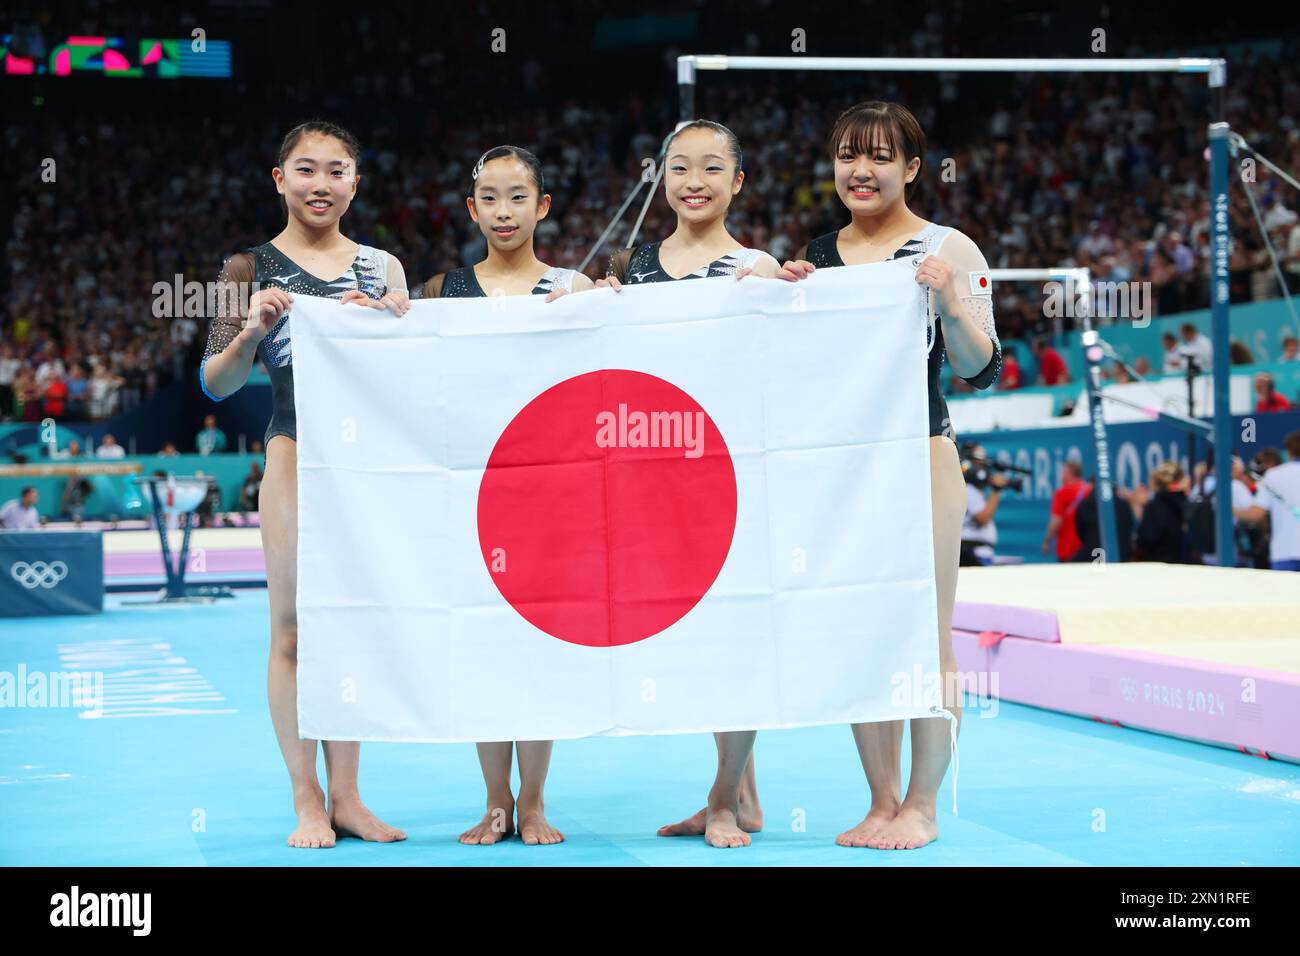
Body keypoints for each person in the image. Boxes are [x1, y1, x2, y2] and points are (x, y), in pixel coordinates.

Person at [760, 100, 1000, 850]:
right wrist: (790, 301)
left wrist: (950, 300)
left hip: (922, 454)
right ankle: (880, 799)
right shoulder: (818, 254)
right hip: (844, 469)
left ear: (911, 168)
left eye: (879, 156)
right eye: (846, 156)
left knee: (928, 636)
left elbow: (983, 368)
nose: (860, 171)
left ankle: (922, 806)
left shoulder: (949, 247)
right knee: (864, 632)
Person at [199, 120, 409, 849]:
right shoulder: (242, 271)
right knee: (290, 633)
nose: (321, 185)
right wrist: (249, 332)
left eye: (337, 171)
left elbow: (406, 379)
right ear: (279, 178)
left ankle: (349, 796)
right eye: (307, 170)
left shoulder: (383, 268)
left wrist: (392, 327)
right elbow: (216, 383)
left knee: (351, 628)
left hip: (364, 468)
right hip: (292, 454)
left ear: (356, 183)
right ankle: (306, 798)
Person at [599, 120, 779, 849]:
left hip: (732, 476)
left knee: (736, 633)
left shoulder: (759, 266)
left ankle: (723, 798)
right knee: (698, 642)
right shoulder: (633, 268)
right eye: (680, 168)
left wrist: (790, 297)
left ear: (738, 182)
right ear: (662, 179)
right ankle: (747, 793)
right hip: (656, 477)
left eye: (712, 168)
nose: (694, 181)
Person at [414, 145, 592, 847]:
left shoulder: (574, 287)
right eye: (489, 197)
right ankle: (495, 802)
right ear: (471, 208)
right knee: (486, 648)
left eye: (518, 196)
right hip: (472, 496)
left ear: (542, 206)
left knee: (539, 651)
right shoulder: (441, 292)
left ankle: (538, 801)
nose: (504, 211)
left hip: (550, 497)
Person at [1241, 432, 1300, 571]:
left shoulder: (1273, 475)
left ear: (1289, 451)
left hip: (1284, 552)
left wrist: (1228, 509)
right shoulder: (1273, 475)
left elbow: (1256, 514)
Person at [1129, 461, 1189, 563]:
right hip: (1180, 564)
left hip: (1158, 566)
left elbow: (1146, 539)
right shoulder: (1182, 503)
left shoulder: (1155, 506)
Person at [959, 443, 1006, 566]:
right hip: (971, 553)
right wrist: (996, 491)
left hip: (977, 552)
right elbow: (982, 518)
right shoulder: (967, 488)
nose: (982, 468)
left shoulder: (973, 489)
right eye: (978, 463)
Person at [1043, 460, 1091, 561]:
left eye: (1063, 473)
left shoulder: (1062, 493)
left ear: (1069, 474)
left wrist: (1047, 541)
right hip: (1087, 548)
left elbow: (1056, 521)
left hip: (1067, 549)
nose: (1061, 476)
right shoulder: (1090, 490)